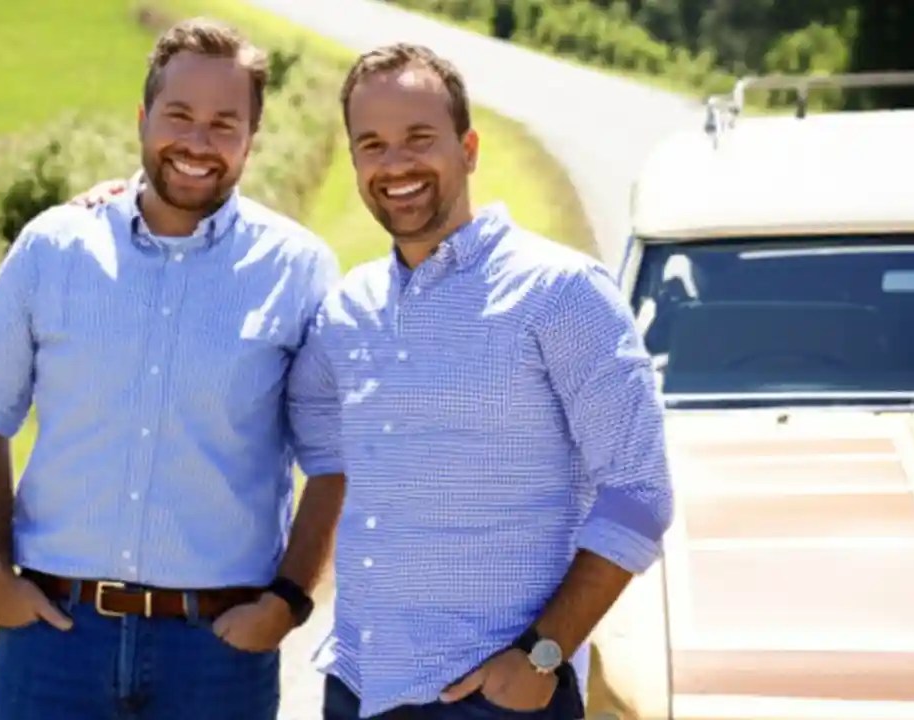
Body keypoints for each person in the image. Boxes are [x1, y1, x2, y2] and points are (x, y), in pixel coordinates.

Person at [0, 18, 345, 720]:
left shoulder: (298, 269)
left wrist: (287, 602)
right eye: (179, 115)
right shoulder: (53, 248)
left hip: (216, 658)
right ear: (143, 118)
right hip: (54, 643)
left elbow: (335, 459)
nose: (197, 143)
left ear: (252, 138)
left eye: (224, 124)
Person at [284, 43, 675, 719]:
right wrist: (116, 207)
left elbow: (639, 493)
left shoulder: (562, 293)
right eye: (372, 145)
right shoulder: (347, 311)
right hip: (356, 686)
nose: (395, 164)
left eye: (419, 138)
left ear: (468, 149)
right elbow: (308, 443)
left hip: (499, 694)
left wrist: (542, 655)